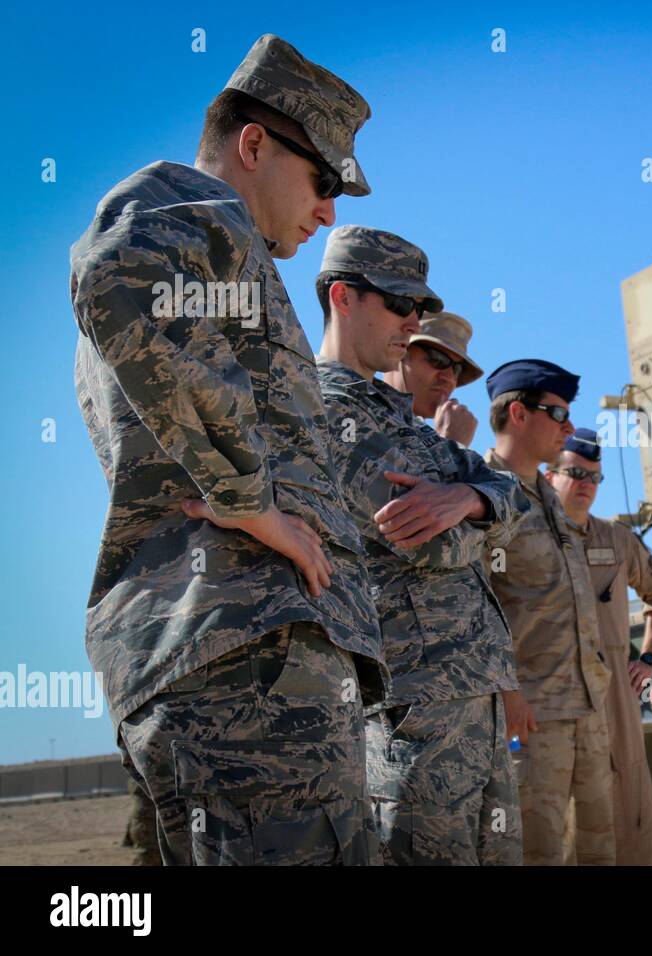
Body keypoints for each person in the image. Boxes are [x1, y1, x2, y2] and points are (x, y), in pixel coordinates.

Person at [70, 35, 385, 865]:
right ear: (254, 143)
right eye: (323, 182)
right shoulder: (188, 209)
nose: (329, 214)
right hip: (246, 658)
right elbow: (118, 279)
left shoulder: (217, 250)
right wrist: (252, 502)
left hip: (237, 655)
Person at [315, 226, 529, 864]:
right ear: (344, 297)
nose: (412, 323)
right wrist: (478, 502)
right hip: (415, 702)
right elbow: (426, 544)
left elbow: (510, 495)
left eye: (419, 309)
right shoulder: (327, 411)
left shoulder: (394, 414)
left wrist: (469, 498)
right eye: (400, 304)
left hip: (472, 694)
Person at [483, 361, 615, 864]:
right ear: (517, 412)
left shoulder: (547, 497)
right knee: (538, 848)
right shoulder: (484, 492)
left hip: (585, 701)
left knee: (599, 841)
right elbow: (476, 598)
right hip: (532, 715)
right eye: (557, 412)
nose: (567, 426)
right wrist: (508, 690)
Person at [546, 429, 652, 865]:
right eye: (576, 473)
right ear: (550, 478)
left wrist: (650, 659)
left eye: (595, 477)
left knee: (628, 787)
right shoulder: (529, 541)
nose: (586, 484)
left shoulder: (617, 540)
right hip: (555, 691)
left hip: (614, 691)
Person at [385, 312, 483, 446]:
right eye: (437, 360)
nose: (448, 378)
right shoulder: (357, 415)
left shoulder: (417, 436)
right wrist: (450, 446)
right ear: (400, 352)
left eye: (457, 369)